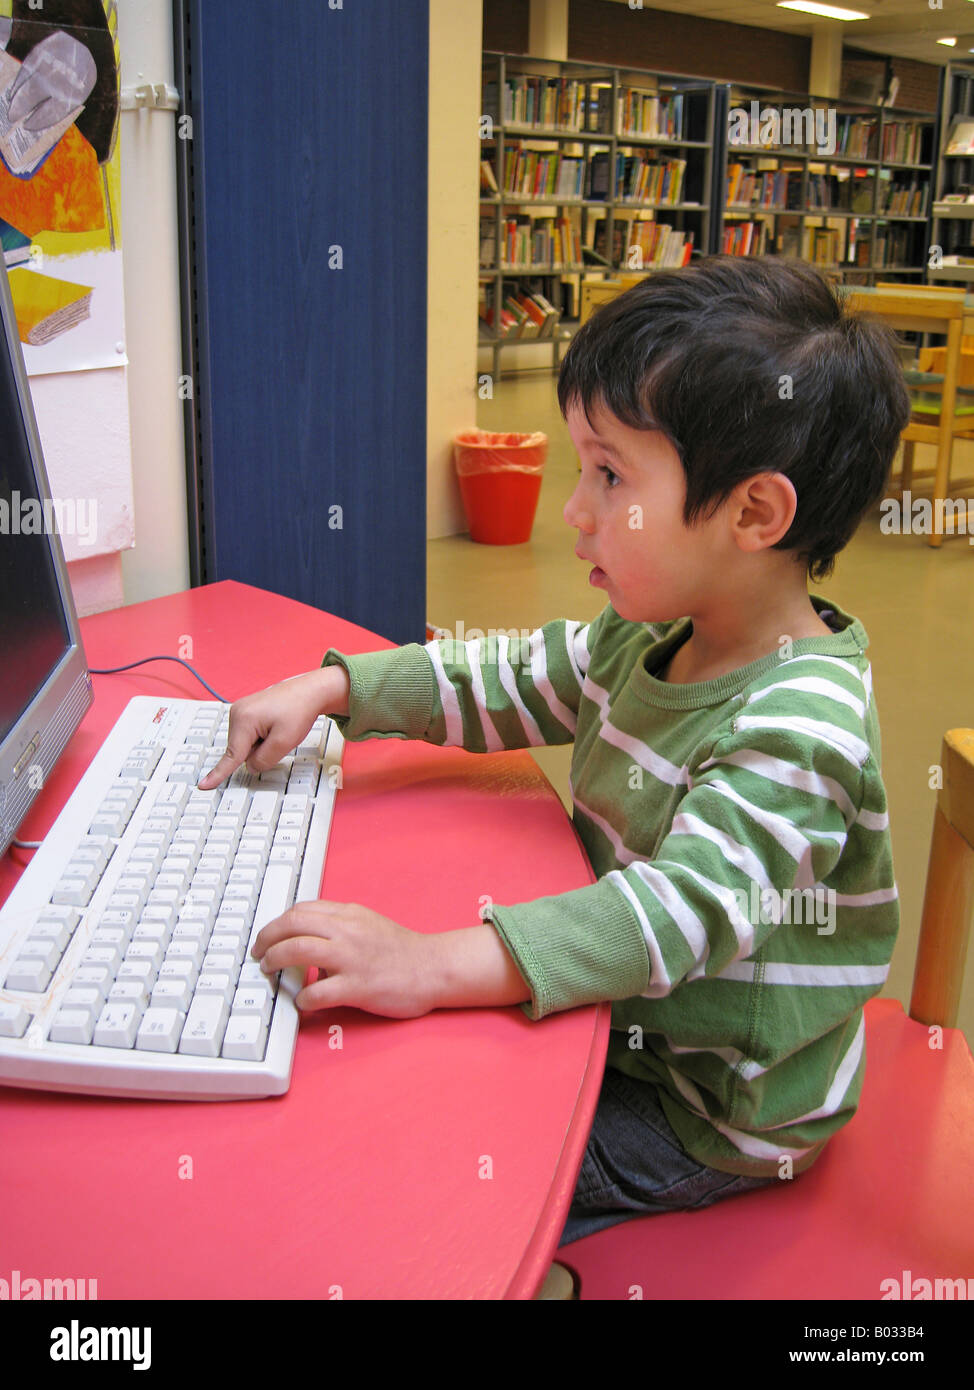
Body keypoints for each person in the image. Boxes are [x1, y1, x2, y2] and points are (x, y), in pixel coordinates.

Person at [198, 255, 910, 1246]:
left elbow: (668, 920)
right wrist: (339, 689)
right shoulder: (652, 627)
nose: (573, 511)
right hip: (629, 1029)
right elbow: (501, 679)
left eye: (610, 474)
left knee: (423, 1184)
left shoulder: (798, 729)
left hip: (703, 1108)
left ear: (753, 513)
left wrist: (428, 961)